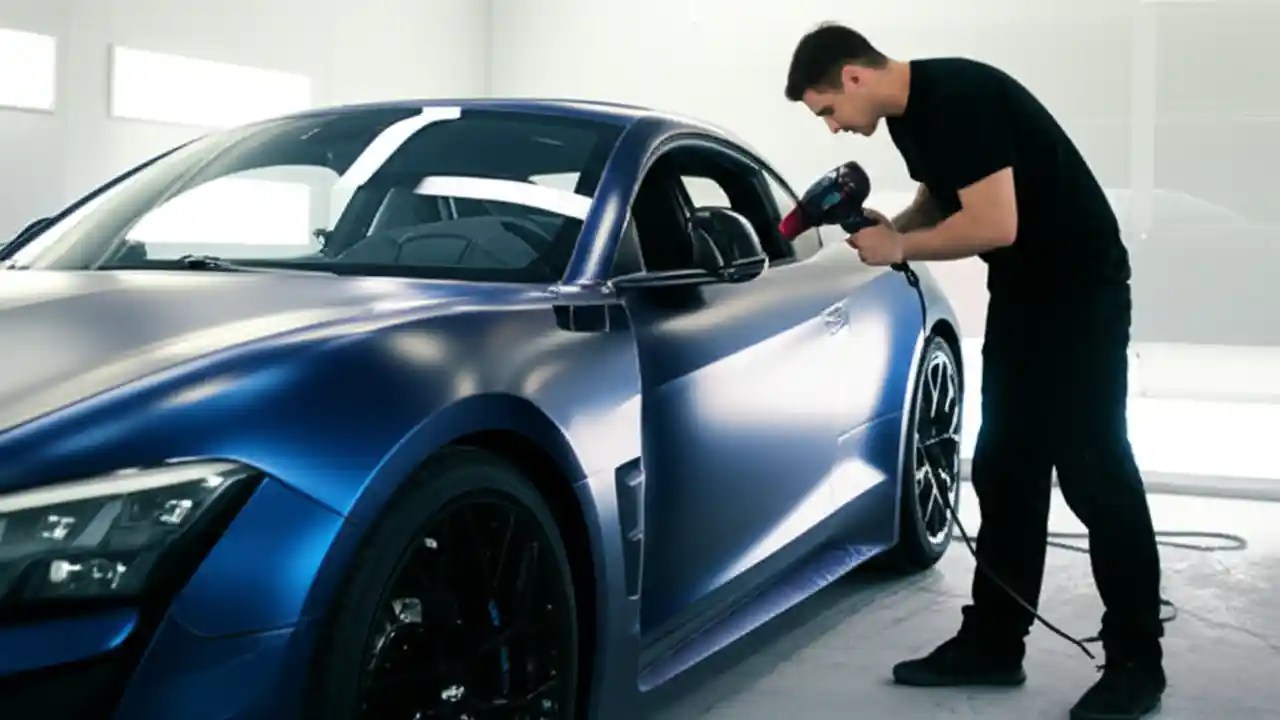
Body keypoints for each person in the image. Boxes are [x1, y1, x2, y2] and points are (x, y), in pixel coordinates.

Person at [783, 22, 1167, 720]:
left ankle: (1137, 660)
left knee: (1094, 467)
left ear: (853, 77)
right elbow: (942, 198)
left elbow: (996, 224)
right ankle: (995, 643)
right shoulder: (909, 117)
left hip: (1081, 289)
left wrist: (901, 242)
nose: (834, 129)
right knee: (1004, 467)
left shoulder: (958, 96)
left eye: (828, 110)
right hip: (1023, 292)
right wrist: (893, 235)